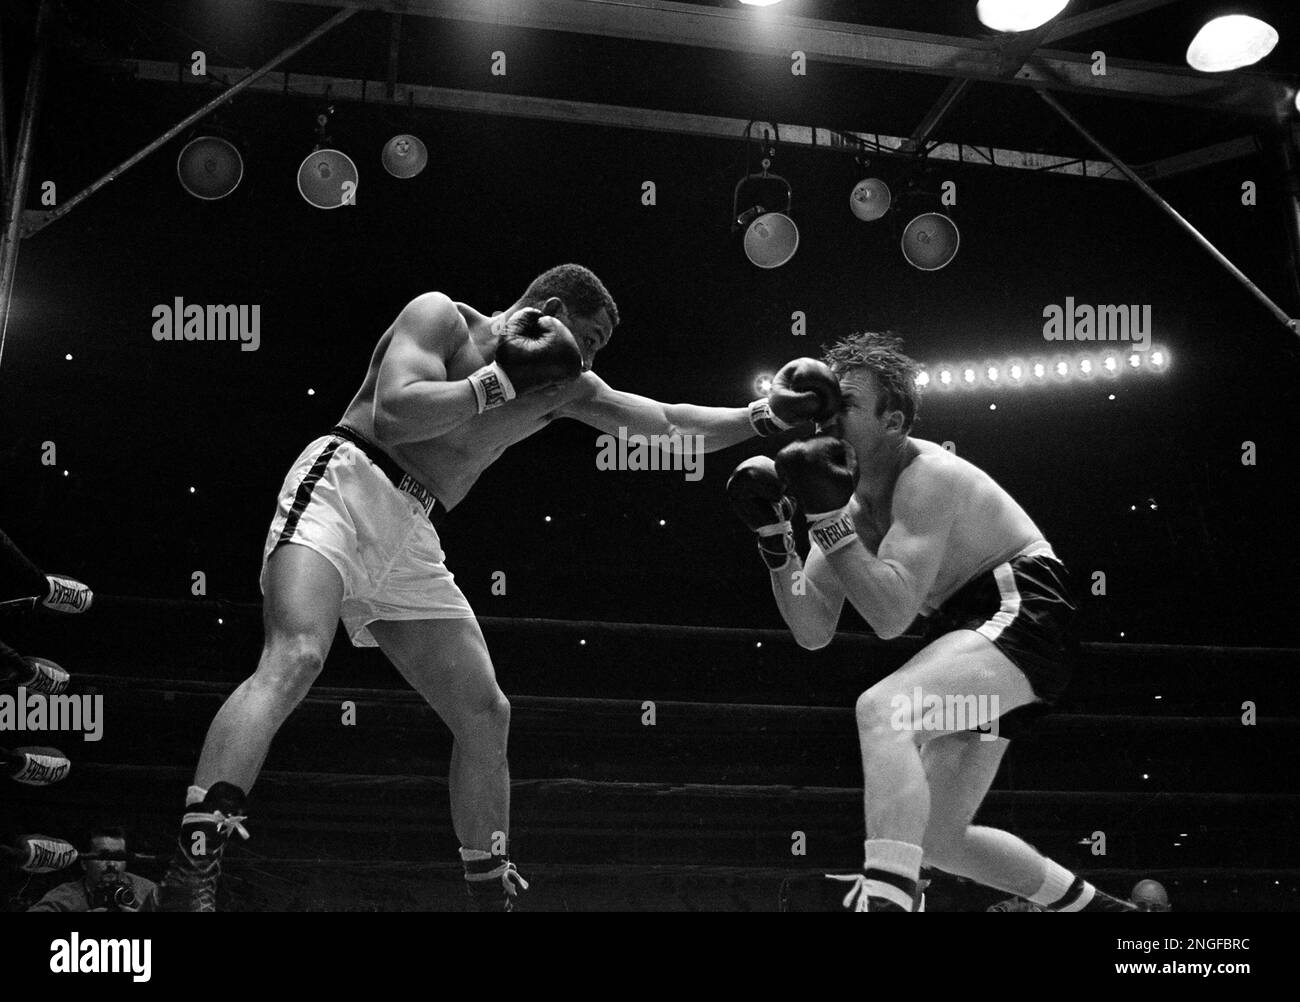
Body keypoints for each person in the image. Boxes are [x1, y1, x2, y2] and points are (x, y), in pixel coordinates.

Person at [158, 264, 782, 912]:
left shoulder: (565, 388)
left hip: (414, 528)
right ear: (550, 309)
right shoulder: (441, 317)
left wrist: (762, 416)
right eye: (589, 338)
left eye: (597, 351)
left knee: (486, 713)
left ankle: (488, 894)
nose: (589, 357)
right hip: (347, 481)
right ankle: (195, 861)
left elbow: (665, 420)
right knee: (297, 654)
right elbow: (395, 415)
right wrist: (498, 381)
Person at [727, 332, 1135, 912]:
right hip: (971, 635)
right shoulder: (844, 503)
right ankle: (1112, 917)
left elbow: (890, 616)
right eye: (823, 401)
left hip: (1021, 607)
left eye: (845, 403)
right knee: (941, 839)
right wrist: (776, 544)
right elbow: (812, 628)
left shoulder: (926, 476)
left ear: (892, 421)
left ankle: (889, 902)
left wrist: (826, 521)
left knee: (885, 709)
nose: (826, 416)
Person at [27, 827, 155, 912]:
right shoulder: (66, 897)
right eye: (103, 857)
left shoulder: (147, 891)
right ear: (84, 863)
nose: (111, 864)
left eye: (119, 857)